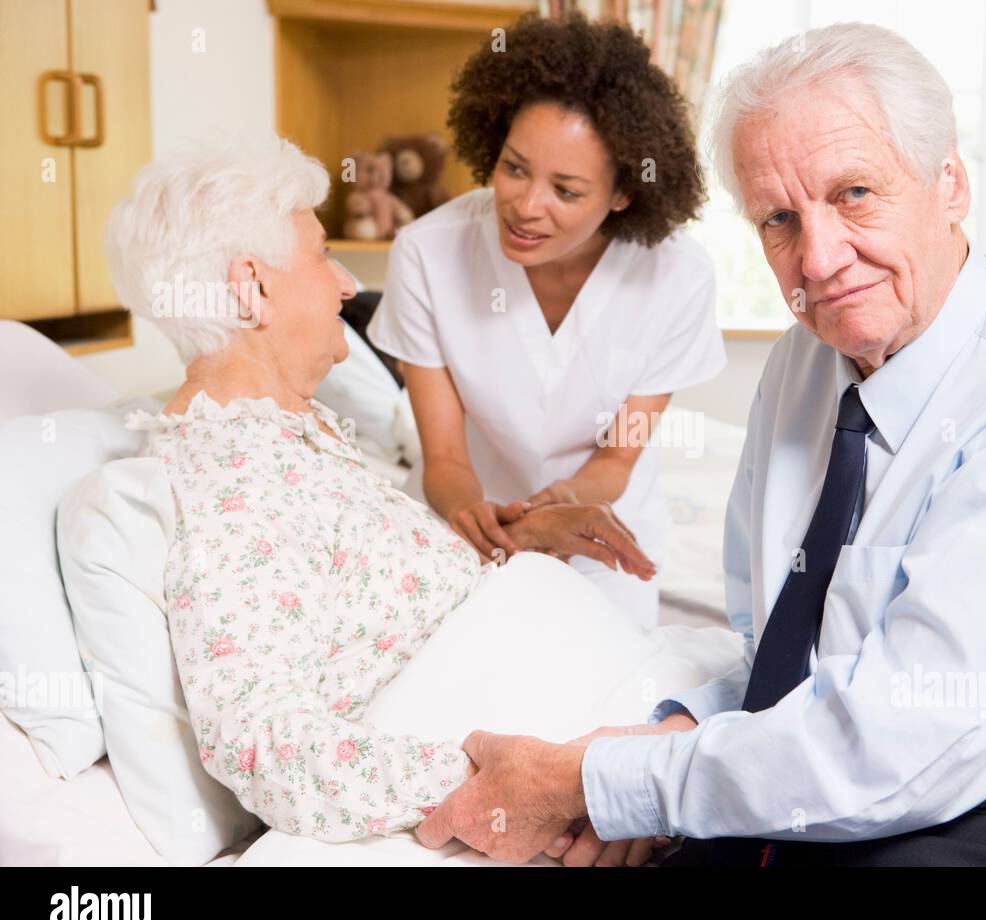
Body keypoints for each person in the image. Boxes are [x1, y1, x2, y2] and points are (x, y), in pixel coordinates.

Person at [415, 22, 986, 867]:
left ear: (950, 183)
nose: (819, 258)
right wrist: (670, 735)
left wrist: (598, 778)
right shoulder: (804, 367)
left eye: (854, 194)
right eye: (779, 219)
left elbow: (913, 736)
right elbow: (794, 660)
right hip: (837, 801)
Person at [104, 138, 663, 856]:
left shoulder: (292, 441)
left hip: (616, 721)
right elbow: (268, 750)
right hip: (565, 767)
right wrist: (530, 786)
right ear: (252, 285)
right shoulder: (231, 485)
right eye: (317, 254)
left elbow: (372, 600)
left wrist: (516, 538)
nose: (344, 283)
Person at [365, 12, 726, 629]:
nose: (526, 207)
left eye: (566, 190)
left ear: (622, 194)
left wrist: (559, 506)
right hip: (461, 524)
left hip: (598, 533)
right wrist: (483, 521)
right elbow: (446, 459)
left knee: (593, 691)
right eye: (514, 168)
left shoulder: (677, 277)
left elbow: (614, 461)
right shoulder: (428, 252)